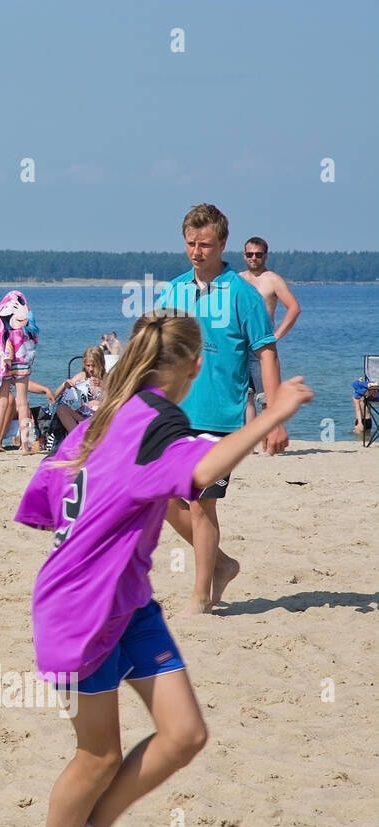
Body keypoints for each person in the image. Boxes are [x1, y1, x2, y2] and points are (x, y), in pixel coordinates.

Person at [15, 309, 313, 827]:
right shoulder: (153, 423)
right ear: (197, 365)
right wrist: (273, 412)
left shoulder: (106, 417)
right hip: (80, 608)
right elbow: (201, 474)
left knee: (185, 734)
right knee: (98, 756)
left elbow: (48, 497)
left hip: (127, 600)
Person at [156, 204, 286, 615]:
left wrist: (273, 418)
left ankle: (200, 599)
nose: (197, 252)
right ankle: (223, 564)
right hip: (174, 415)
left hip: (221, 417)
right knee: (162, 501)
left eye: (205, 245)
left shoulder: (243, 294)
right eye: (191, 244)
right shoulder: (173, 291)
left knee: (201, 503)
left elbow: (266, 353)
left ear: (222, 243)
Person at [239, 237, 302, 422]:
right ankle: (250, 446)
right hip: (240, 345)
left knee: (267, 398)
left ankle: (269, 443)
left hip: (262, 346)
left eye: (258, 254)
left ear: (265, 256)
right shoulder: (238, 279)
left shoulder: (273, 280)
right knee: (246, 397)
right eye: (250, 254)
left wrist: (276, 335)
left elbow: (294, 308)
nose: (254, 258)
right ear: (244, 256)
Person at [0, 290, 39, 454]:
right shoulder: (25, 317)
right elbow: (34, 336)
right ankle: (25, 446)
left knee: (2, 402)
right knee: (23, 402)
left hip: (3, 362)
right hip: (22, 361)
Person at [51, 346, 107, 434]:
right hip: (83, 416)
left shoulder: (107, 377)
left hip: (101, 416)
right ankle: (77, 439)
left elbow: (120, 395)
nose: (91, 369)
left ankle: (79, 436)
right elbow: (53, 397)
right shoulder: (82, 376)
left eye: (94, 365)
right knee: (61, 408)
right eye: (88, 366)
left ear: (101, 363)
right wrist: (64, 385)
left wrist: (103, 385)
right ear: (84, 365)